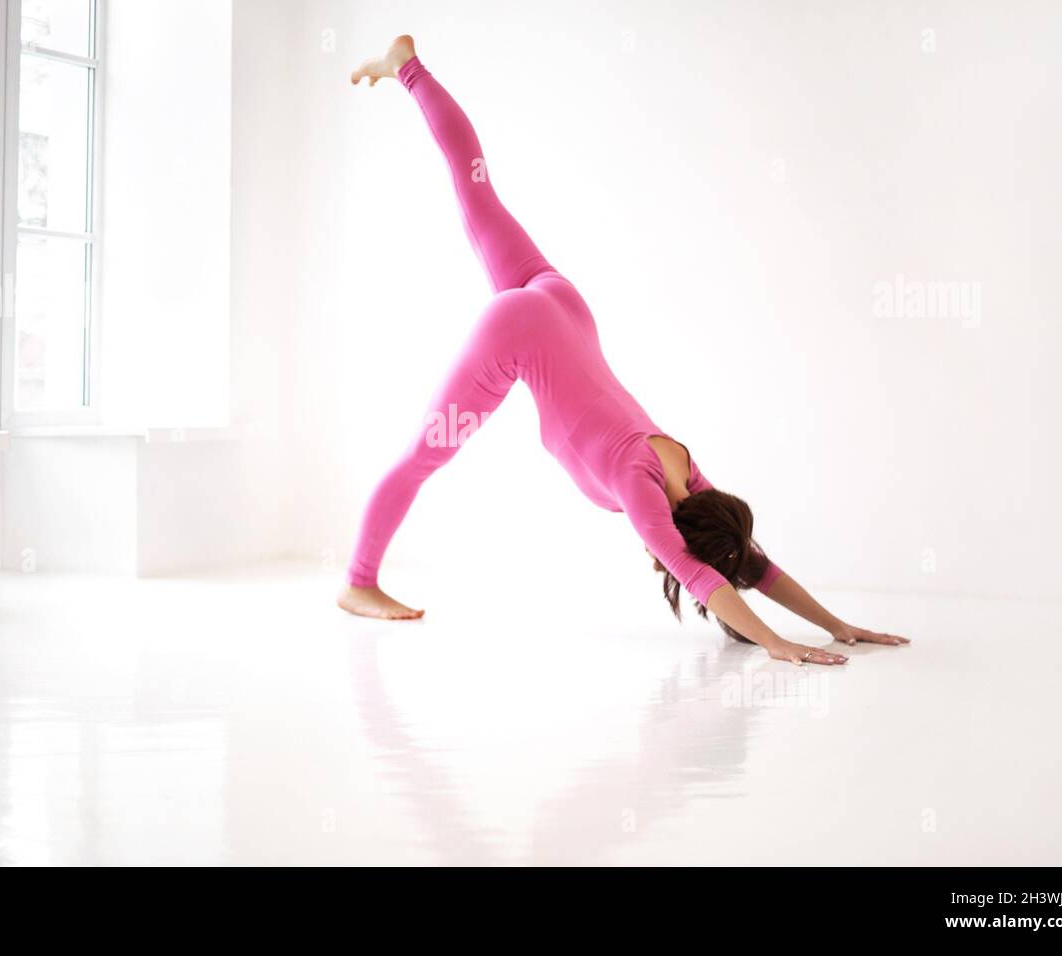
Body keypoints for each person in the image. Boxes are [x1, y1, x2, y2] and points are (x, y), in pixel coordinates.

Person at [339, 36, 909, 665]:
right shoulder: (642, 489)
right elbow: (704, 576)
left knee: (475, 186)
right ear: (680, 529)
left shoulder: (687, 473)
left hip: (559, 304)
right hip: (520, 330)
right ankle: (357, 580)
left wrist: (835, 625)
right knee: (424, 454)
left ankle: (407, 69)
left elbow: (753, 563)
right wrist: (777, 644)